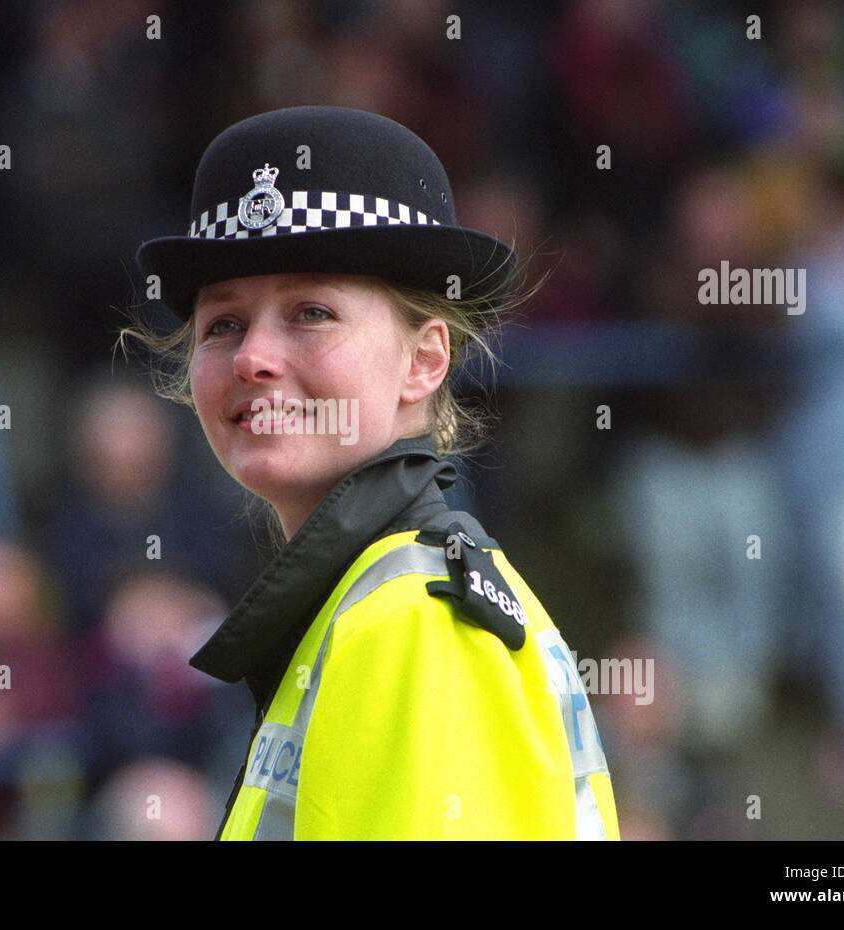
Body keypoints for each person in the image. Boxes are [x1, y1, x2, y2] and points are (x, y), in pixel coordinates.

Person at [128, 105, 618, 840]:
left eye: (311, 312)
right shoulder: (371, 602)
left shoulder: (415, 619)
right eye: (222, 323)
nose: (251, 356)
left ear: (425, 360)